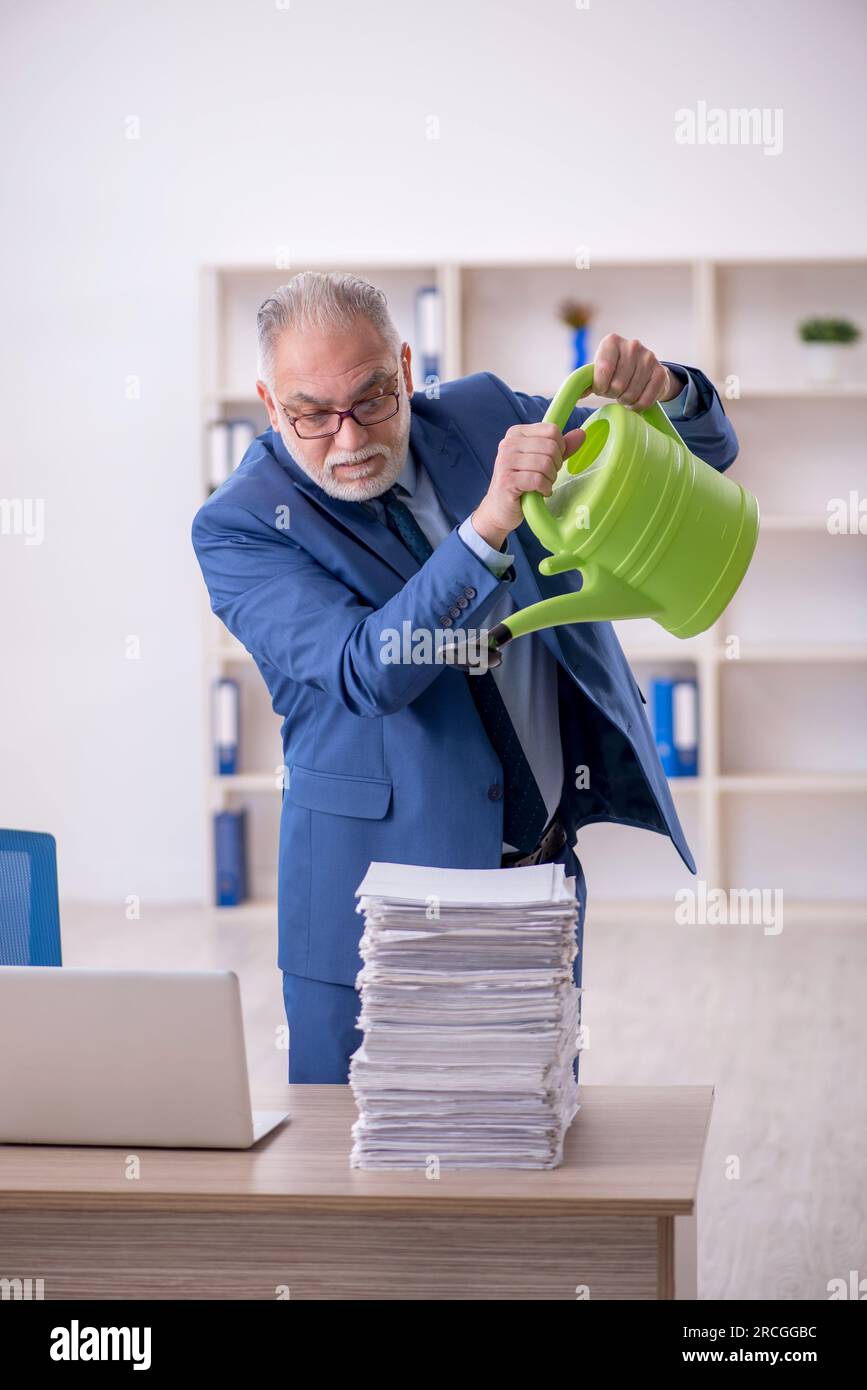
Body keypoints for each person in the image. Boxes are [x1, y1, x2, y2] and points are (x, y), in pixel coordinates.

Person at [191, 271, 739, 1083]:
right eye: (311, 414)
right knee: (357, 1180)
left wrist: (665, 393)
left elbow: (699, 459)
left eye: (373, 398)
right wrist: (486, 526)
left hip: (538, 876)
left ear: (406, 368)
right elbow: (367, 671)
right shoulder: (240, 526)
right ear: (270, 407)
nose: (349, 440)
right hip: (377, 907)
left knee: (532, 1141)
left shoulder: (483, 414)